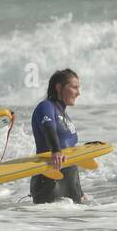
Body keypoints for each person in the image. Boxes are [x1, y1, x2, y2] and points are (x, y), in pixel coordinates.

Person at [30, 68, 87, 205]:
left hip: (70, 182)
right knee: (51, 218)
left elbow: (69, 150)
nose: (78, 93)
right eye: (74, 87)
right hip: (49, 180)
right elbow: (48, 128)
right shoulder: (45, 106)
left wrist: (80, 191)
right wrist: (56, 151)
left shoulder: (63, 113)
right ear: (59, 87)